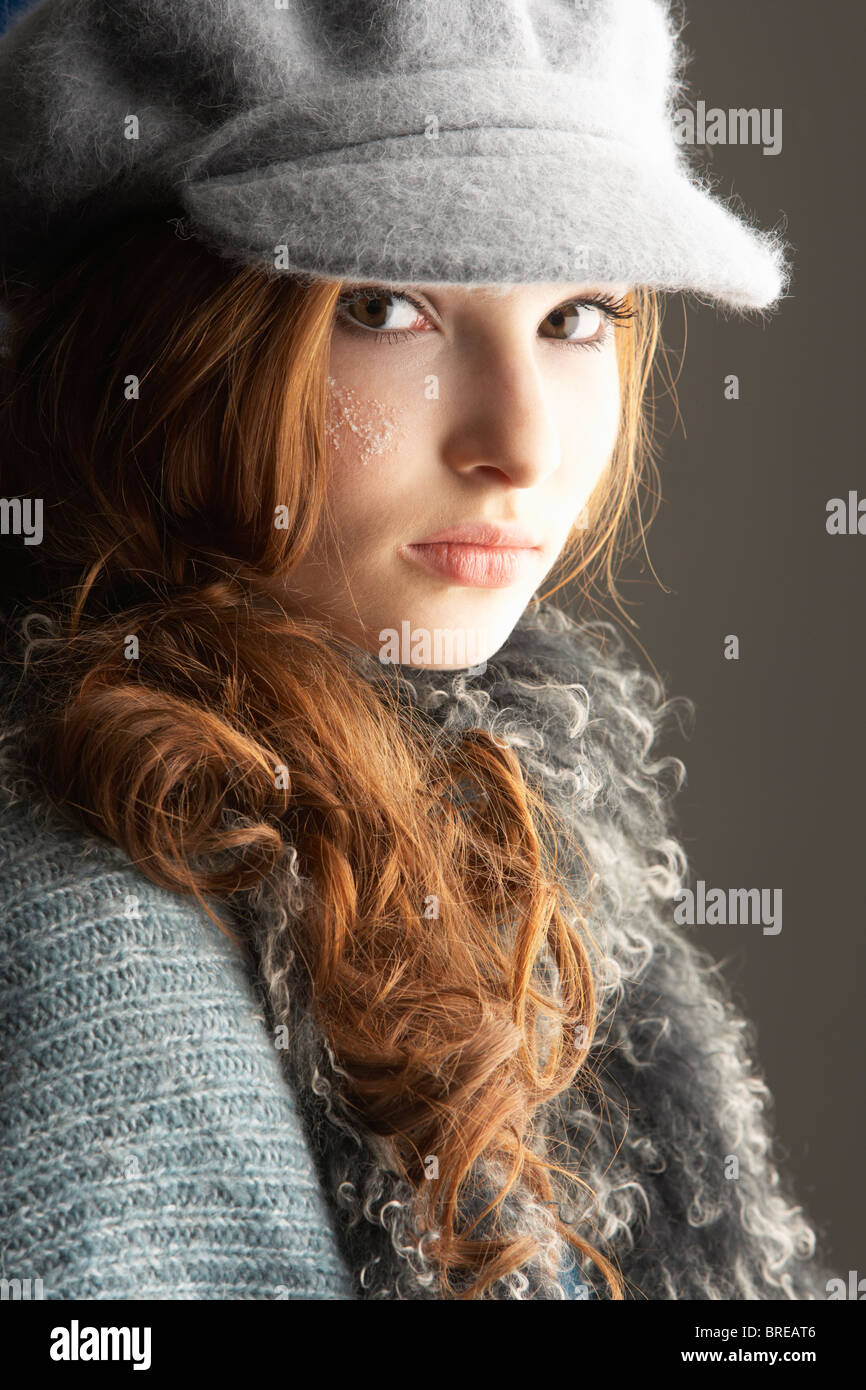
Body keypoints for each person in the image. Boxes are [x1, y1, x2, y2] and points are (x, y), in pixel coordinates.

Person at [0, 0, 831, 1300]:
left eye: (573, 315)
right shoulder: (100, 968)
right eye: (385, 304)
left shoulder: (498, 803)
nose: (520, 443)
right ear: (153, 336)